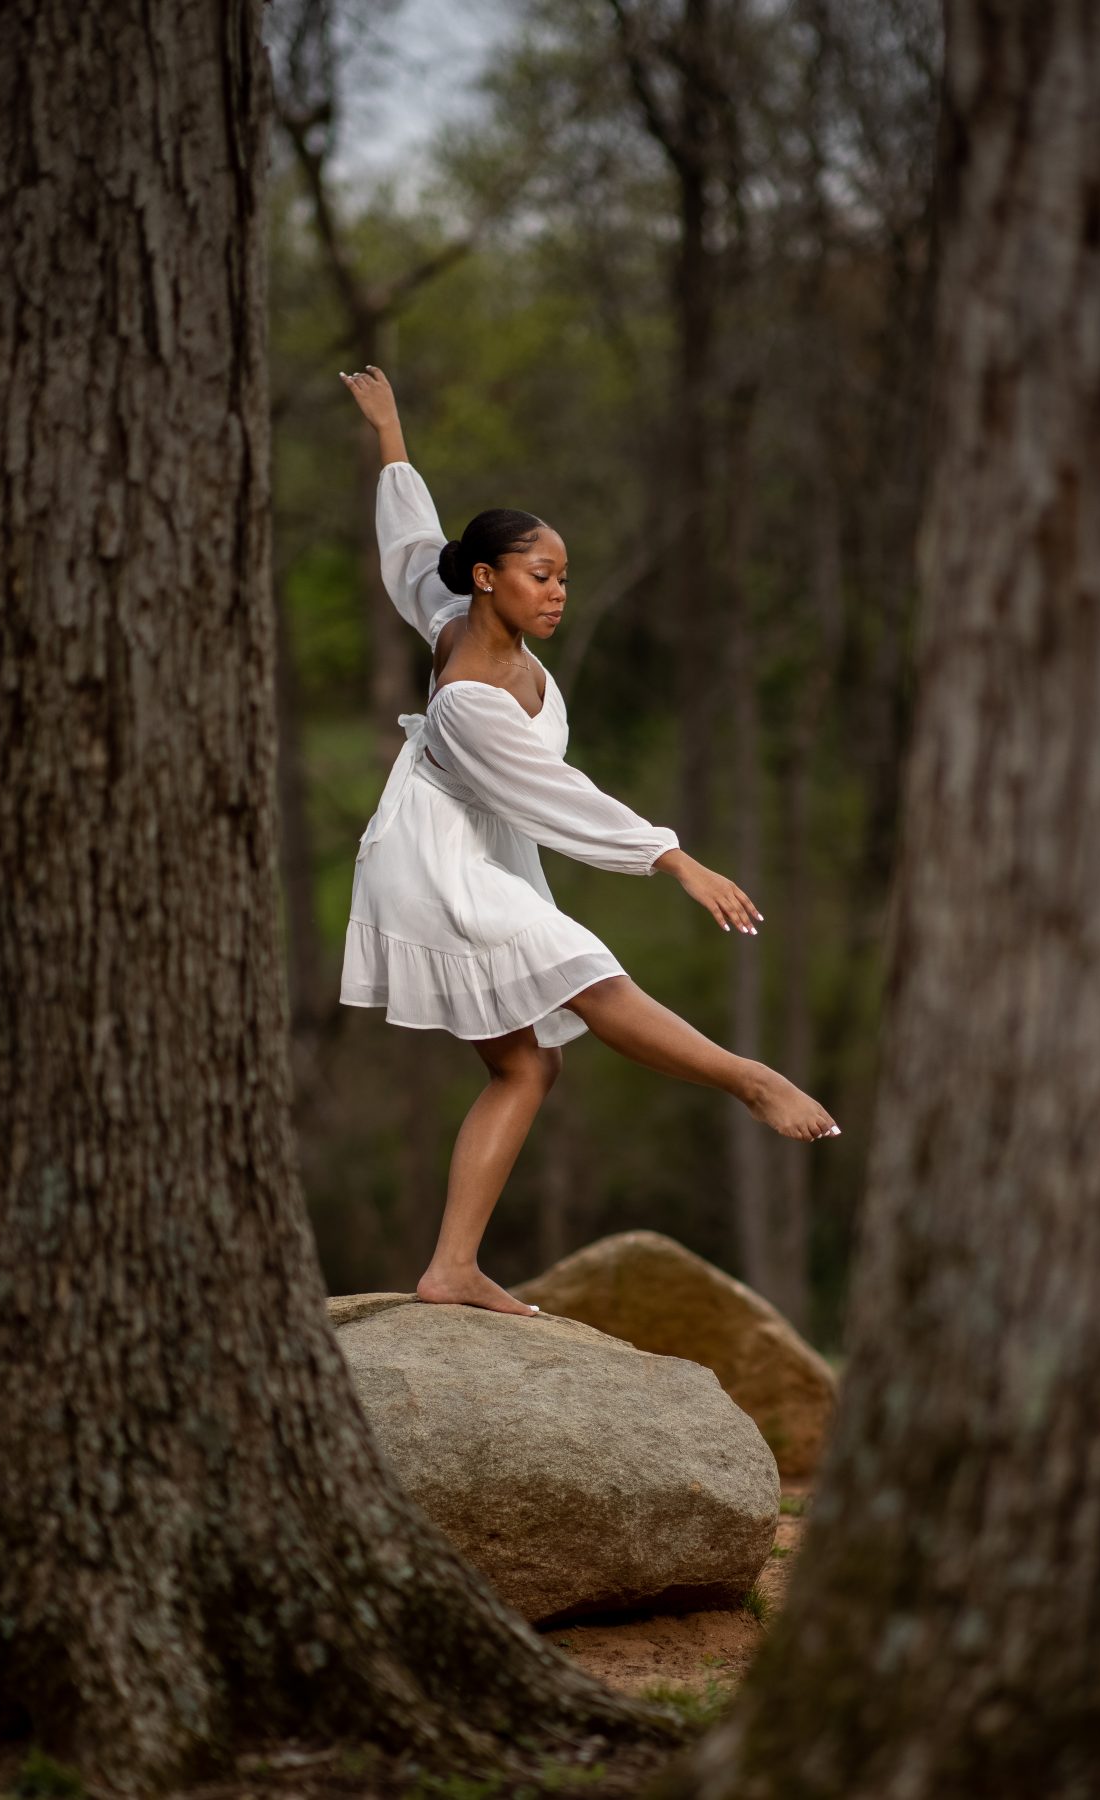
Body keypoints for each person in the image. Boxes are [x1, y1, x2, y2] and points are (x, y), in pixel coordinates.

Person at [337, 365, 839, 1316]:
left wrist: (391, 434)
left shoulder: (449, 611)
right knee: (588, 973)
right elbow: (557, 797)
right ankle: (751, 1080)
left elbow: (411, 545)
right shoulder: (469, 700)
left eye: (565, 577)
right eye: (542, 577)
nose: (559, 593)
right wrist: (674, 858)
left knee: (527, 1062)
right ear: (489, 580)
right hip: (437, 865)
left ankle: (451, 1268)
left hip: (474, 854)